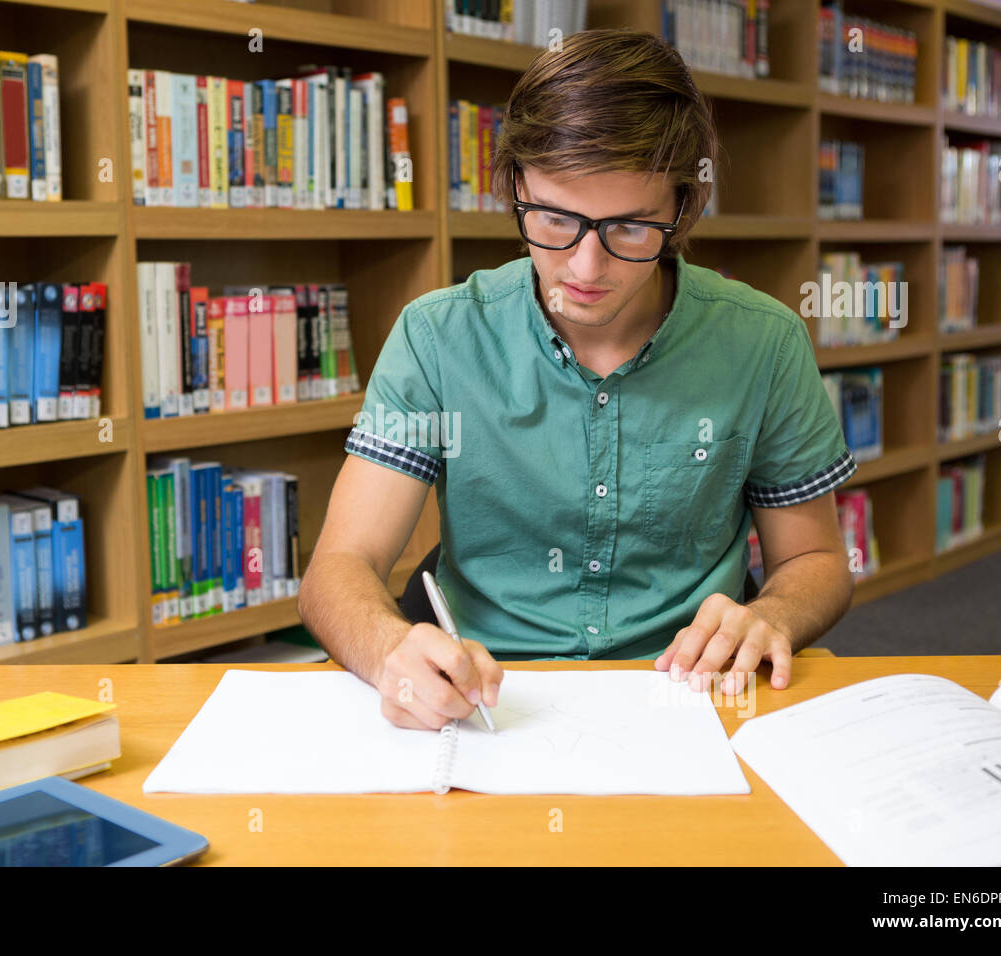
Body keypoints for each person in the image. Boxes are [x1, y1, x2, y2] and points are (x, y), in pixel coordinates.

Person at [297, 28, 855, 731]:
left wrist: (770, 614)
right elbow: (340, 566)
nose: (586, 270)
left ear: (682, 208)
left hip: (690, 699)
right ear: (513, 187)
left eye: (629, 228)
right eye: (556, 219)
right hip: (487, 701)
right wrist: (389, 651)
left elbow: (815, 557)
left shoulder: (764, 343)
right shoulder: (436, 338)